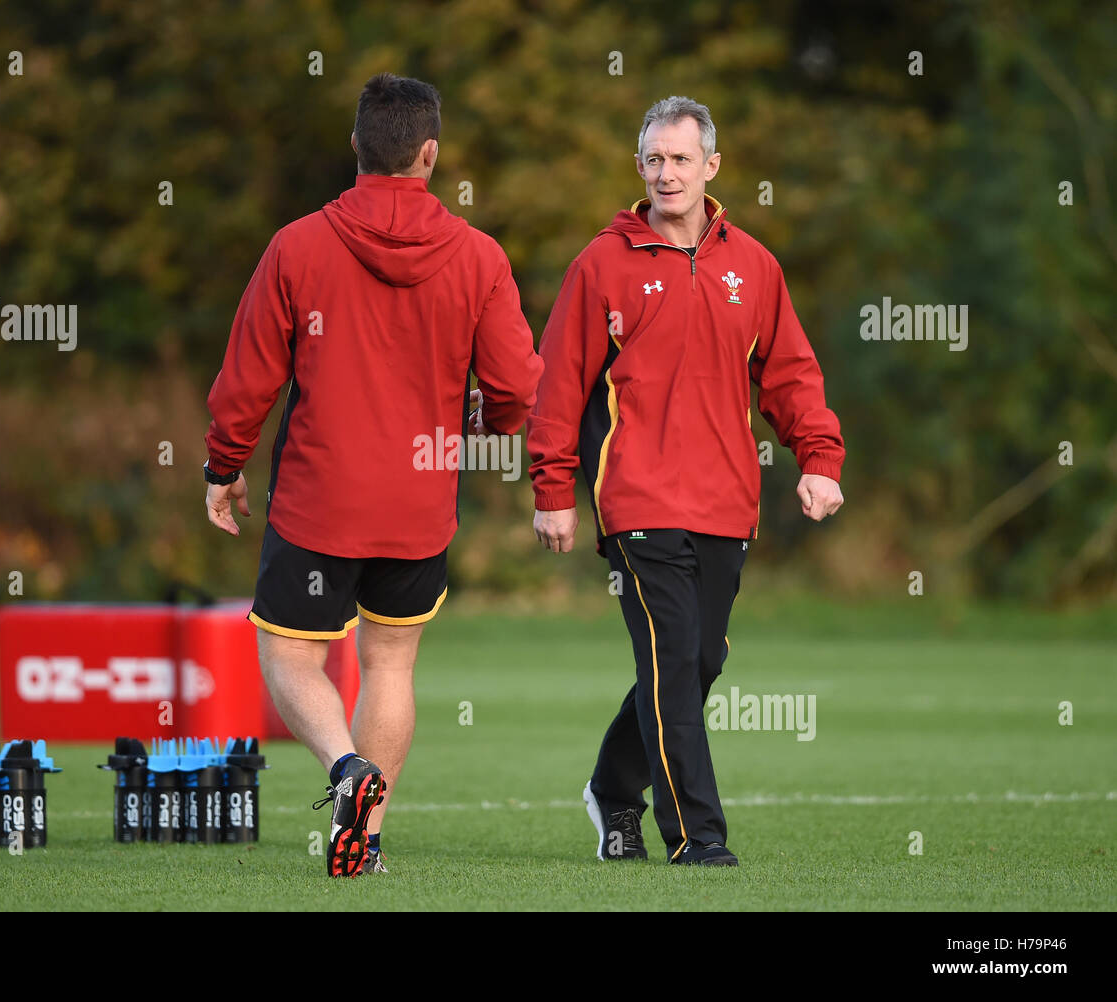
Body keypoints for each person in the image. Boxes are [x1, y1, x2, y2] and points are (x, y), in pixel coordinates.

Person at [203, 73, 542, 877]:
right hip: (419, 504)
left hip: (320, 499)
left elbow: (248, 381)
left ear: (356, 145)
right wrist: (488, 424)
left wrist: (225, 465)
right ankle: (369, 838)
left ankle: (344, 768)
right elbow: (519, 390)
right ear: (431, 153)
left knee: (292, 658)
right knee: (390, 665)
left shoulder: (296, 246)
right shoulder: (480, 256)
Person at [527, 96, 845, 866]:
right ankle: (698, 837)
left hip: (728, 503)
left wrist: (820, 460)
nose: (667, 173)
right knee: (672, 661)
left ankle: (611, 787)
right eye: (654, 159)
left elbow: (792, 377)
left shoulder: (755, 266)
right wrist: (552, 492)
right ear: (639, 167)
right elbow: (557, 388)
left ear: (712, 166)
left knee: (698, 665)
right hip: (636, 501)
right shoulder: (600, 264)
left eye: (680, 158)